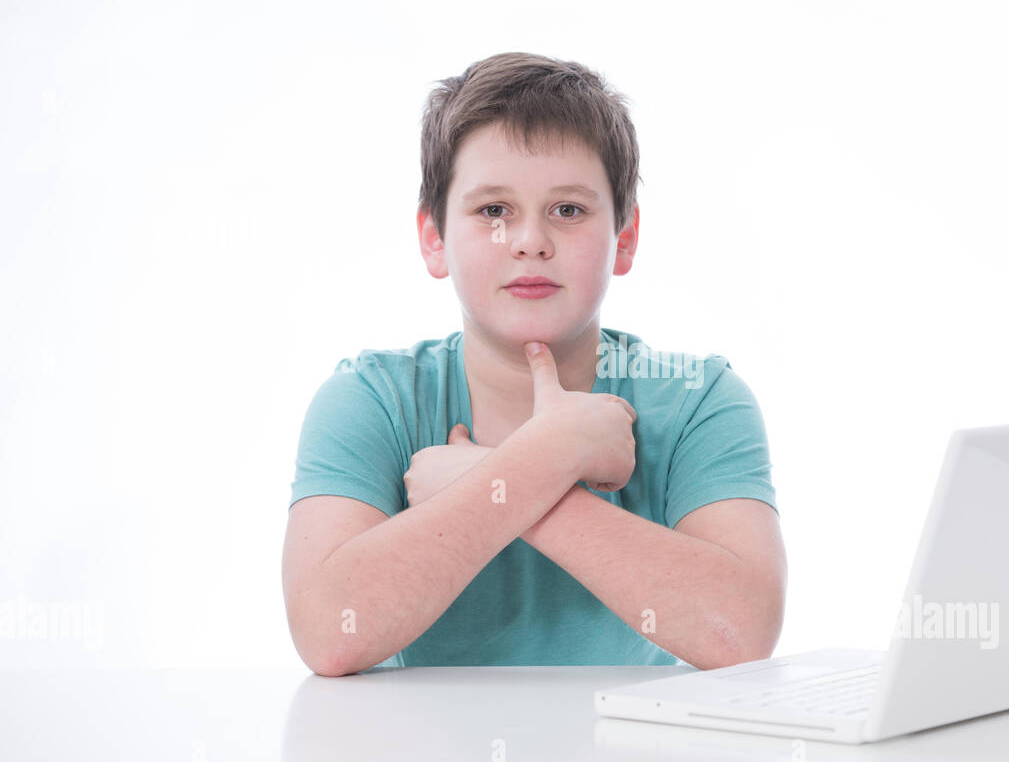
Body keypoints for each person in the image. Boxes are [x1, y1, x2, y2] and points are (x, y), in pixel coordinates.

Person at [282, 52, 786, 675]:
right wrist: (554, 454)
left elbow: (740, 633)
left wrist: (493, 476)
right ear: (434, 239)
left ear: (624, 240)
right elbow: (329, 633)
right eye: (493, 211)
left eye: (568, 210)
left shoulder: (699, 399)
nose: (529, 241)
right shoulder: (370, 397)